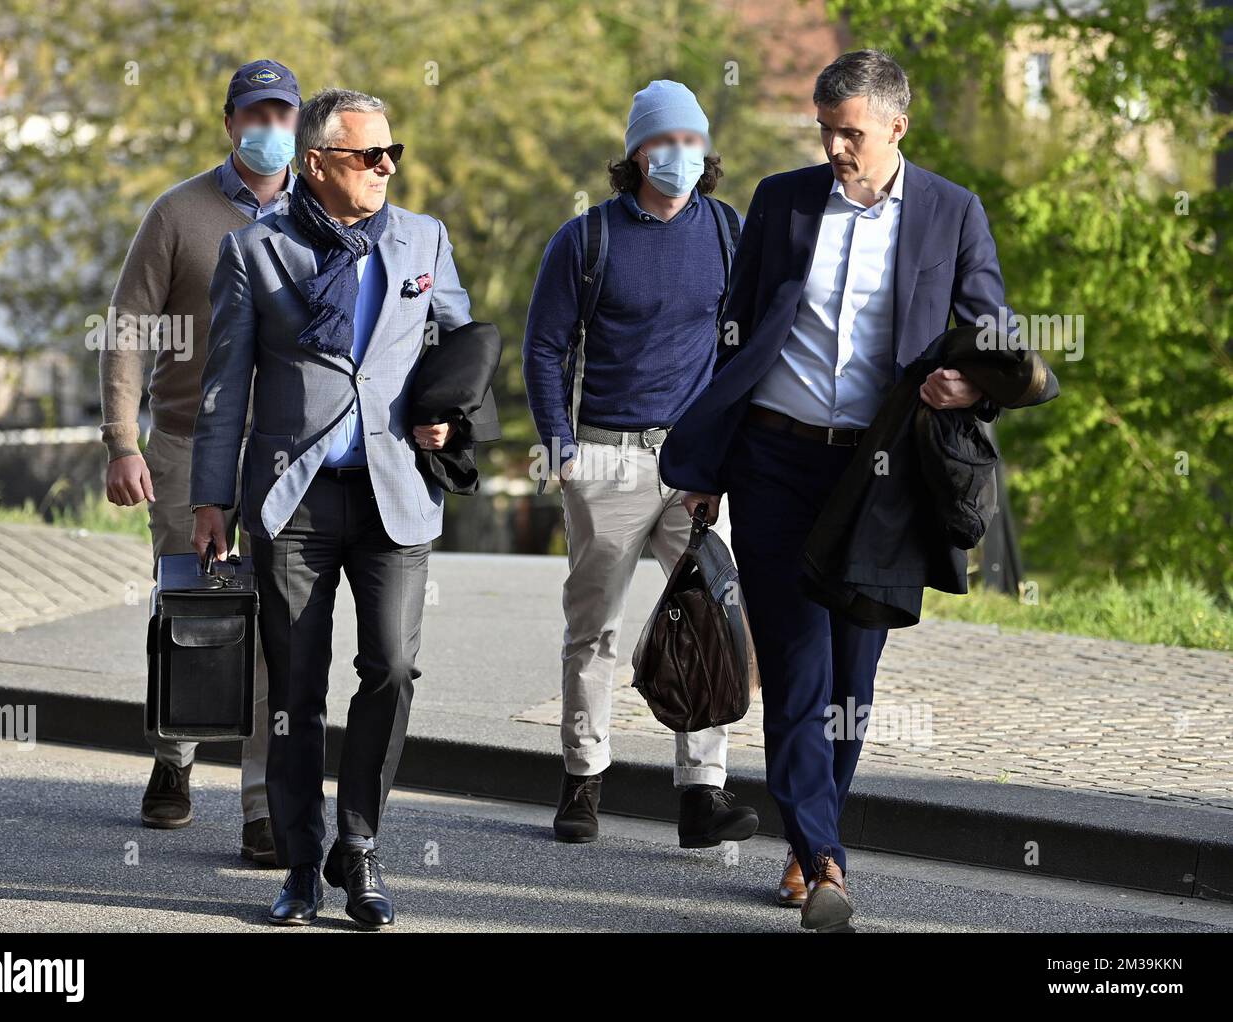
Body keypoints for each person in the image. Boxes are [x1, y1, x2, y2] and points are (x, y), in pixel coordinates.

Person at [661, 50, 1009, 932]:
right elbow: (734, 339)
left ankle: (809, 838)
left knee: (855, 672)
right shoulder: (781, 201)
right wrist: (706, 471)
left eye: (849, 131)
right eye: (825, 129)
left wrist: (970, 388)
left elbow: (988, 332)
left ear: (896, 127)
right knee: (796, 670)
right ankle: (823, 856)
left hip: (882, 475)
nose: (834, 146)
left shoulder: (951, 213)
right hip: (776, 462)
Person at [189, 87, 470, 929]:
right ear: (318, 164)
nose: (387, 167)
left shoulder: (424, 238)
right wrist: (211, 497)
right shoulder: (256, 250)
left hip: (395, 497)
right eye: (367, 155)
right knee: (296, 693)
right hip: (294, 500)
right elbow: (225, 385)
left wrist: (453, 414)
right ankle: (304, 866)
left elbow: (456, 340)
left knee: (390, 668)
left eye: (393, 154)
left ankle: (363, 849)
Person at [522, 80, 759, 849]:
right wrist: (559, 444)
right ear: (635, 153)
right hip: (606, 458)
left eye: (692, 142)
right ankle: (583, 780)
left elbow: (744, 349)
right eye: (664, 142)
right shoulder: (586, 239)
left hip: (693, 467)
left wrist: (723, 456)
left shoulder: (728, 231)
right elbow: (546, 345)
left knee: (713, 621)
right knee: (593, 629)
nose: (680, 155)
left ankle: (702, 795)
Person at [100, 59, 302, 865]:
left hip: (286, 452)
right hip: (184, 443)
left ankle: (259, 808)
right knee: (189, 610)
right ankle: (173, 760)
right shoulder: (178, 212)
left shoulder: (318, 215)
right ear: (229, 123)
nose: (268, 128)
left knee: (274, 630)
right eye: (254, 114)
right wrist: (122, 440)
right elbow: (127, 327)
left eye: (282, 114)